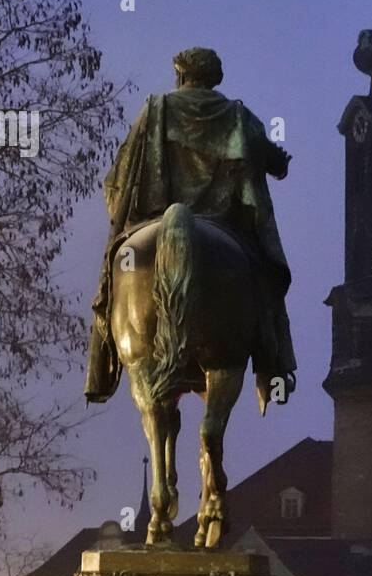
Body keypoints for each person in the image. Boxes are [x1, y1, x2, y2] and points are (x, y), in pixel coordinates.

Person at [84, 47, 296, 408]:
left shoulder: (154, 111)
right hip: (226, 227)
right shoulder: (238, 116)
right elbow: (275, 163)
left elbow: (116, 183)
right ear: (215, 78)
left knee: (112, 277)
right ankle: (272, 364)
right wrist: (274, 160)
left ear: (181, 76)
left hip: (152, 220)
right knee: (266, 285)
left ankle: (102, 363)